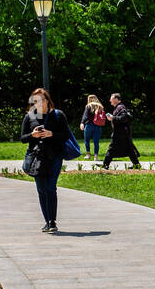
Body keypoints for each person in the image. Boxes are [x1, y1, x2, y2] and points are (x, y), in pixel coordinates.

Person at [20, 87, 71, 233]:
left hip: (54, 156)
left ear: (47, 100)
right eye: (35, 101)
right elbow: (23, 138)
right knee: (41, 190)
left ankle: (52, 221)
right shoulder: (29, 117)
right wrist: (33, 135)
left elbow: (66, 135)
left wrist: (51, 134)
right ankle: (47, 222)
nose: (39, 103)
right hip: (37, 158)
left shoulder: (58, 115)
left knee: (50, 188)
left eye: (41, 100)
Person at [101, 92, 141, 170]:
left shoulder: (121, 107)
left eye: (111, 99)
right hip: (123, 133)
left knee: (112, 148)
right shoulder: (118, 107)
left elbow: (124, 118)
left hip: (120, 133)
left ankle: (105, 165)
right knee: (129, 149)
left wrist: (113, 118)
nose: (110, 100)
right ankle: (137, 165)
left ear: (116, 99)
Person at [80, 94, 107, 159]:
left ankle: (88, 155)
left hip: (89, 125)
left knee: (87, 140)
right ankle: (96, 156)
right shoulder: (100, 106)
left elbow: (85, 115)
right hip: (98, 126)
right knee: (96, 142)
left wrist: (82, 123)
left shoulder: (88, 106)